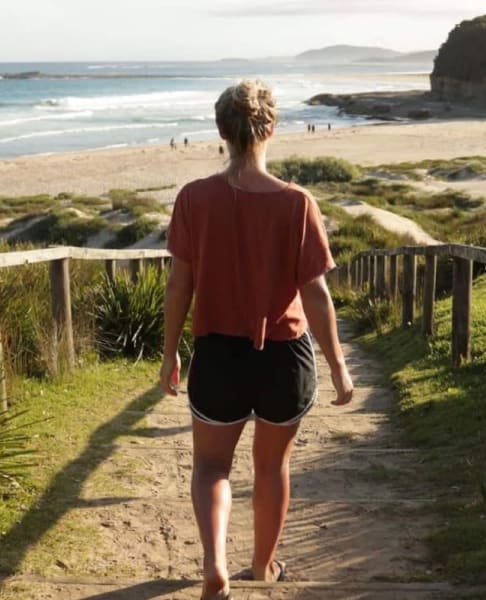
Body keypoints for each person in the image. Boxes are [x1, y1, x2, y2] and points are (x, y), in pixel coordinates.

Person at [160, 79, 354, 600]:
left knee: (211, 466)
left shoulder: (193, 199)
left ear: (221, 131)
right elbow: (315, 294)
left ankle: (215, 563)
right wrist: (337, 364)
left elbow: (180, 285)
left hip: (218, 355)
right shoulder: (297, 203)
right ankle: (263, 567)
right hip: (284, 359)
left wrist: (168, 356)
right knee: (271, 466)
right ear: (272, 128)